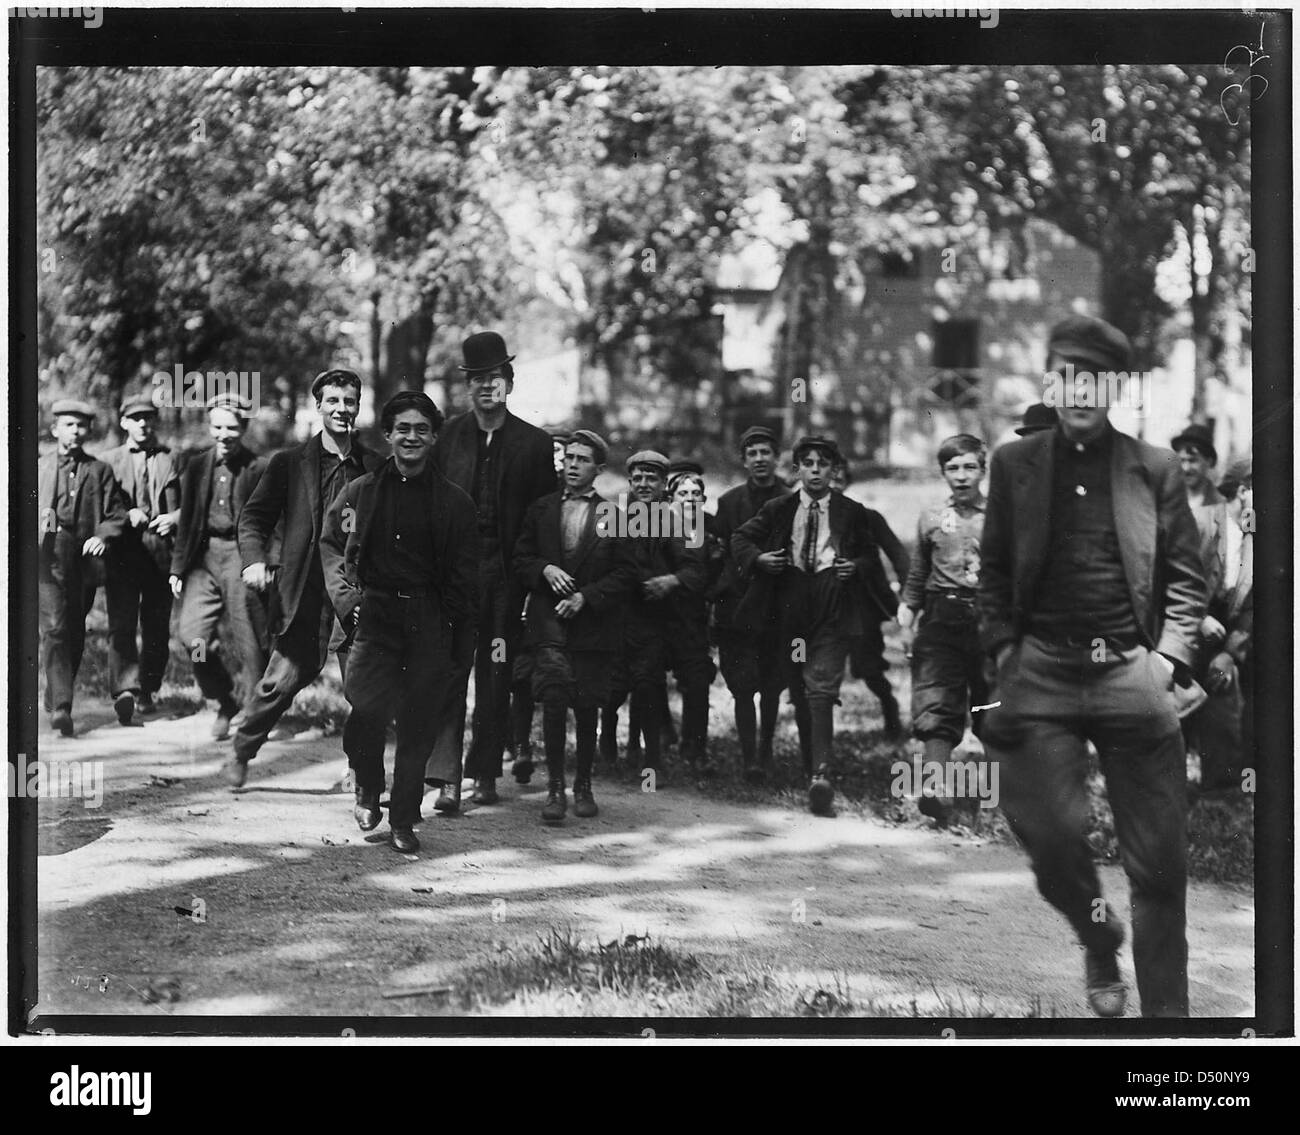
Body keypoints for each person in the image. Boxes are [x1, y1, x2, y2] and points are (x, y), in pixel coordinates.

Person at [978, 314, 1206, 1018]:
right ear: (1052, 382)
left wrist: (1169, 659)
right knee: (1047, 832)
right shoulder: (1014, 465)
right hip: (1042, 667)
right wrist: (1007, 653)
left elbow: (1186, 580)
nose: (1079, 390)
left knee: (1160, 867)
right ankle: (1096, 931)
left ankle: (1169, 1031)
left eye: (1094, 378)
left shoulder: (1156, 469)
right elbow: (992, 573)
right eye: (1066, 376)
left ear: (1114, 388)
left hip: (1130, 673)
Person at [319, 391, 480, 853]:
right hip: (373, 616)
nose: (412, 437)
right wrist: (346, 599)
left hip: (429, 619)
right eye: (402, 429)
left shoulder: (455, 503)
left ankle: (404, 818)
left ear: (433, 438)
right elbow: (331, 545)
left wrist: (452, 632)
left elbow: (465, 578)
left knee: (418, 722)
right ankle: (368, 785)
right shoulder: (361, 494)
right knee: (366, 709)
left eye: (421, 430)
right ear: (388, 435)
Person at [227, 369, 382, 787]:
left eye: (350, 401)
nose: (342, 410)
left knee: (363, 691)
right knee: (281, 682)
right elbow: (254, 519)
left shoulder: (375, 467)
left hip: (353, 593)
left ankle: (361, 770)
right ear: (318, 406)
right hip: (306, 592)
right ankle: (243, 746)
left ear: (358, 406)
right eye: (333, 401)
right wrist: (254, 560)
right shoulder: (289, 464)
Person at [733, 435, 896, 814]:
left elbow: (871, 556)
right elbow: (741, 539)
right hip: (792, 606)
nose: (816, 471)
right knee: (800, 683)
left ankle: (821, 774)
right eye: (808, 464)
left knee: (821, 684)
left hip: (832, 605)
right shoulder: (780, 507)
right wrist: (759, 559)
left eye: (824, 464)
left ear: (834, 470)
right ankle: (810, 762)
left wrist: (853, 566)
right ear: (797, 469)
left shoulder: (851, 511)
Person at [431, 332, 557, 809]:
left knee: (495, 676)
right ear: (469, 387)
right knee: (449, 673)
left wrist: (531, 585)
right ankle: (446, 778)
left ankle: (484, 773)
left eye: (496, 378)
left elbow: (542, 518)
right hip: (456, 577)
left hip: (505, 579)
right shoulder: (447, 437)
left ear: (510, 383)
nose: (488, 387)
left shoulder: (534, 443)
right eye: (479, 380)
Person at [513, 430, 638, 823]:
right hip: (548, 625)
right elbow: (520, 559)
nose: (572, 465)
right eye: (568, 457)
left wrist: (587, 596)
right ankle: (554, 789)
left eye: (582, 459)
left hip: (592, 630)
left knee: (586, 708)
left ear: (598, 469)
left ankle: (583, 784)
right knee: (552, 700)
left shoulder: (615, 516)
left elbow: (628, 573)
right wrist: (544, 570)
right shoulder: (541, 509)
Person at [898, 435, 990, 822]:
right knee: (937, 703)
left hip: (988, 620)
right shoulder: (932, 516)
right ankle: (936, 789)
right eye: (953, 468)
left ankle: (993, 797)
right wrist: (907, 616)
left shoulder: (1002, 517)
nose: (962, 476)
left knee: (991, 706)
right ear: (943, 474)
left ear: (983, 470)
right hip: (941, 617)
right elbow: (919, 572)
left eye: (969, 467)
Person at [170, 394, 269, 741]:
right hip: (204, 559)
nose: (224, 433)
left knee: (250, 642)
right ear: (209, 427)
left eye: (231, 427)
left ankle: (257, 714)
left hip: (241, 558)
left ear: (243, 428)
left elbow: (271, 521)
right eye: (217, 426)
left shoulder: (258, 468)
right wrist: (178, 568)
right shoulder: (197, 465)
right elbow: (188, 521)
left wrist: (262, 564)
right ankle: (225, 700)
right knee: (192, 637)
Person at [612, 449, 712, 779]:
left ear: (663, 485)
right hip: (627, 615)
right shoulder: (615, 518)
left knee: (664, 681)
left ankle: (662, 755)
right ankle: (620, 749)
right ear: (629, 482)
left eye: (651, 478)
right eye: (637, 478)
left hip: (669, 617)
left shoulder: (675, 522)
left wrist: (670, 580)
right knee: (625, 686)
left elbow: (695, 571)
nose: (643, 484)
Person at [38, 399, 129, 736]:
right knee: (55, 627)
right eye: (68, 425)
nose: (75, 432)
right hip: (47, 555)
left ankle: (54, 697)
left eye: (81, 425)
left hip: (84, 557)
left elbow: (116, 514)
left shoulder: (99, 470)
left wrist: (104, 535)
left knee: (74, 630)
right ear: (55, 429)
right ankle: (62, 707)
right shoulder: (40, 466)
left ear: (89, 430)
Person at [709, 426, 793, 782]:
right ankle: (749, 760)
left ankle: (766, 750)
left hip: (778, 606)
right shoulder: (729, 503)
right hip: (738, 606)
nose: (760, 459)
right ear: (744, 460)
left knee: (773, 684)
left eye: (766, 452)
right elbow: (721, 551)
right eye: (752, 453)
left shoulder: (793, 499)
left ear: (777, 457)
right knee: (742, 686)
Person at [100, 395, 182, 724]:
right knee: (121, 623)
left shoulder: (173, 458)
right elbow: (102, 507)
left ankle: (148, 688)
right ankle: (124, 691)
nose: (143, 424)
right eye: (136, 418)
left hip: (161, 550)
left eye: (148, 417)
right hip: (123, 552)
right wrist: (125, 512)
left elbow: (191, 504)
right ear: (124, 423)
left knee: (157, 626)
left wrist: (174, 517)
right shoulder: (108, 461)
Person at [1184, 457, 1253, 794]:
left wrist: (1230, 654)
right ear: (1243, 490)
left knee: (1224, 688)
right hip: (1179, 626)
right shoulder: (1199, 521)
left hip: (1223, 635)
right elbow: (1167, 579)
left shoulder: (1259, 538)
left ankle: (1219, 789)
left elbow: (1253, 608)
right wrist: (1198, 618)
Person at [832, 458, 909, 737]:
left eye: (839, 480)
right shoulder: (802, 515)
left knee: (868, 666)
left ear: (847, 483)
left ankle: (889, 707)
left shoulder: (867, 517)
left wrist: (909, 596)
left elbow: (898, 554)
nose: (832, 485)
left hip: (859, 605)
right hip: (820, 607)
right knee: (818, 671)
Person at [665, 467, 720, 773]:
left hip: (695, 617)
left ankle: (694, 749)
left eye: (695, 494)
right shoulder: (657, 526)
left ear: (703, 499)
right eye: (682, 494)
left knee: (697, 681)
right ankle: (651, 742)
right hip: (661, 614)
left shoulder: (712, 528)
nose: (689, 499)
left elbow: (723, 567)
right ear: (671, 498)